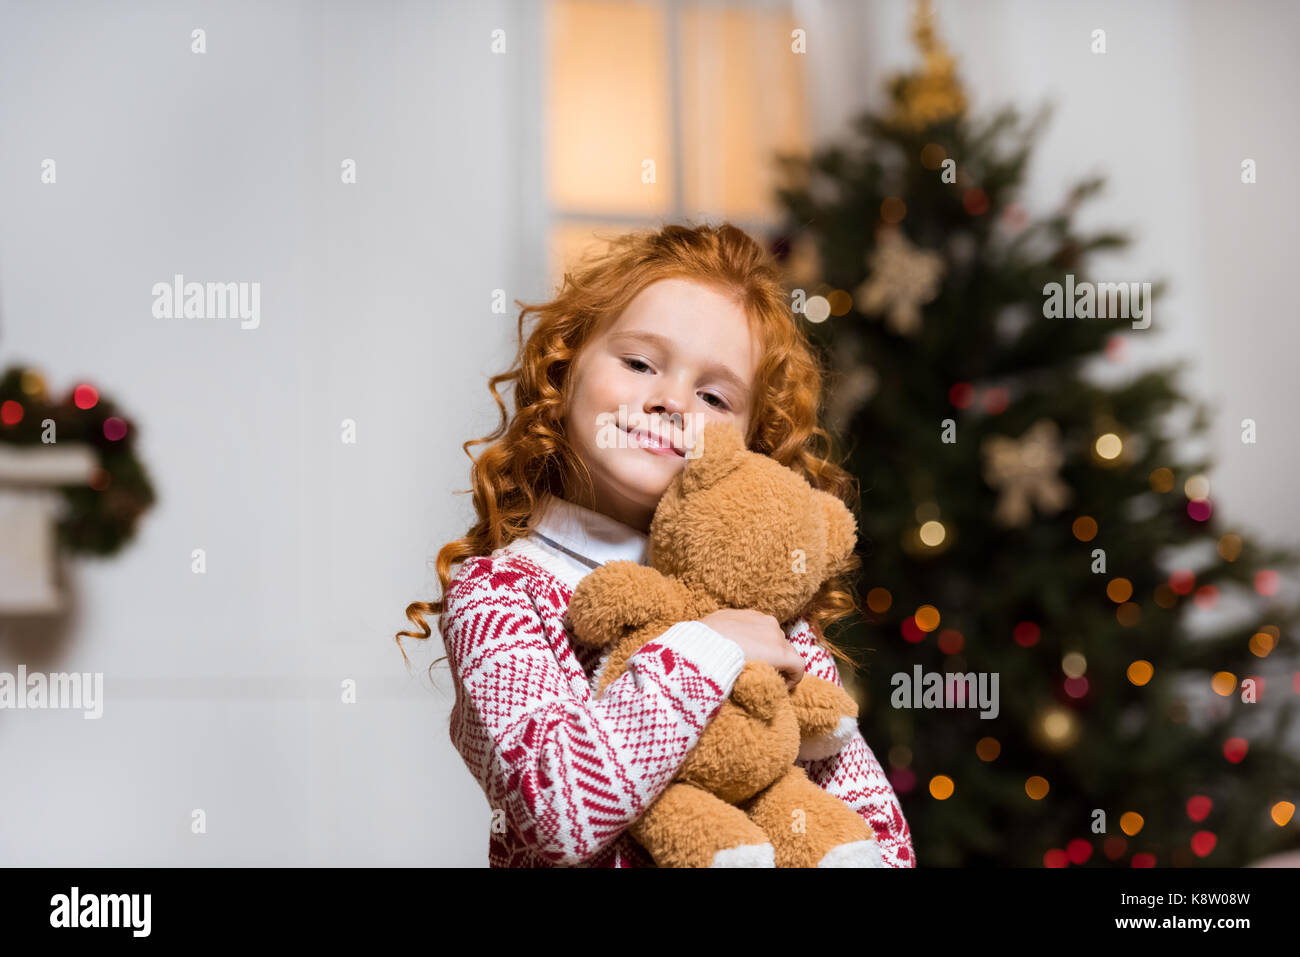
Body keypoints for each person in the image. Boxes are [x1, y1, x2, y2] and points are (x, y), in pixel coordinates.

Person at [397, 222, 914, 867]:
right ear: (565, 369)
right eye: (639, 363)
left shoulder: (771, 617)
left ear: (749, 443)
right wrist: (706, 649)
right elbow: (558, 812)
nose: (671, 401)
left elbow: (877, 839)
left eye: (714, 396)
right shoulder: (500, 598)